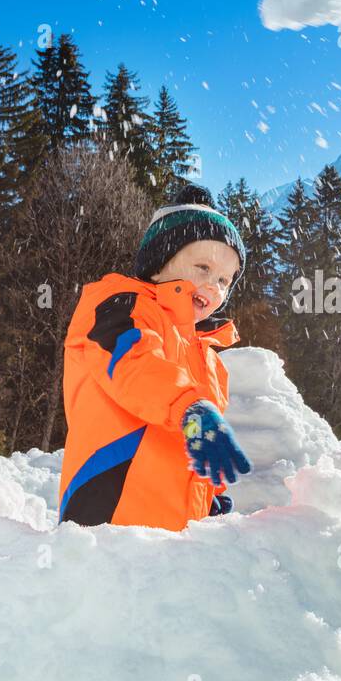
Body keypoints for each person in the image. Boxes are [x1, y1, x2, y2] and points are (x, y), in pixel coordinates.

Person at [58, 185, 252, 529]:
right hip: (108, 519)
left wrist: (207, 497)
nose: (213, 286)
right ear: (160, 264)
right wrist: (191, 407)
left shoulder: (207, 356)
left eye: (224, 279)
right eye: (202, 267)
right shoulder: (121, 305)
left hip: (172, 542)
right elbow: (134, 363)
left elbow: (195, 445)